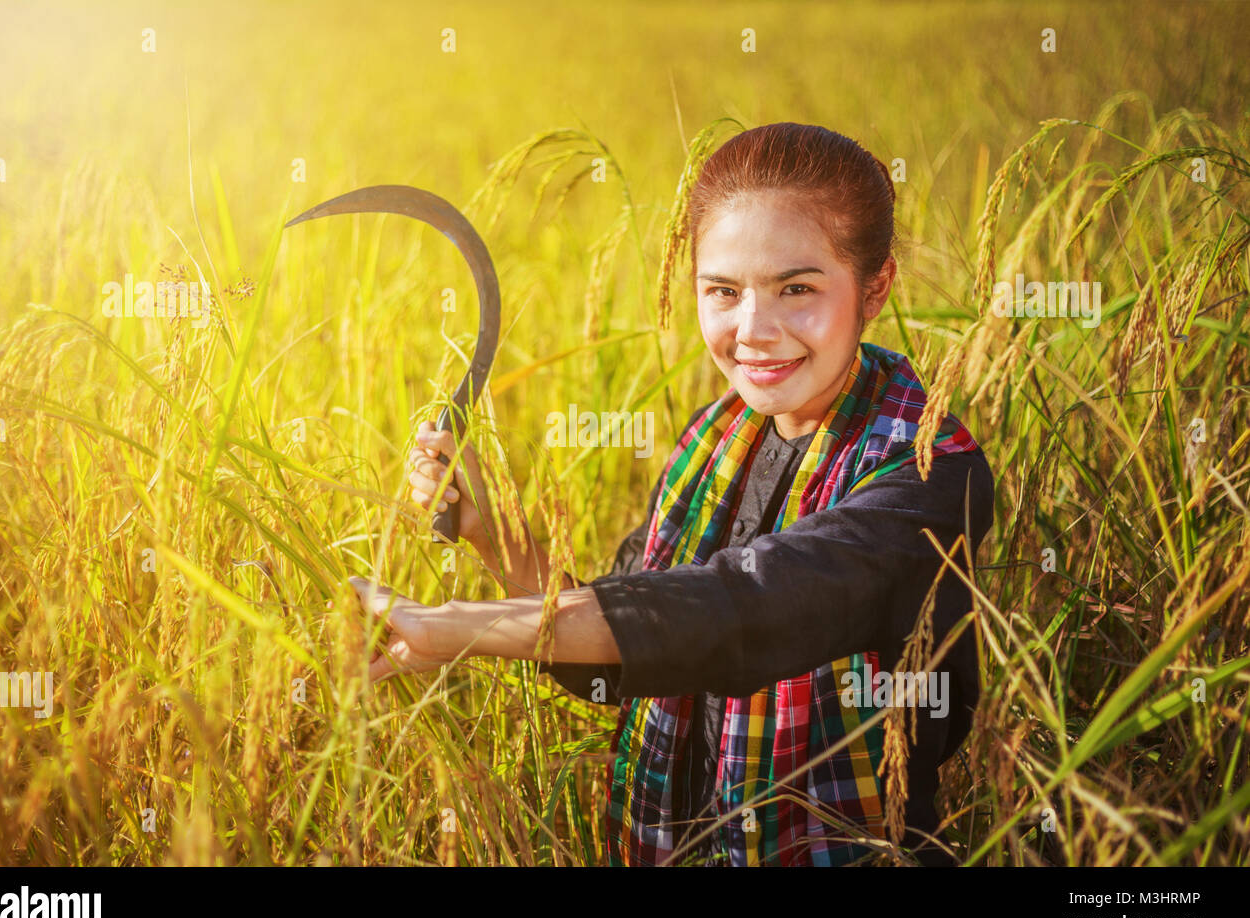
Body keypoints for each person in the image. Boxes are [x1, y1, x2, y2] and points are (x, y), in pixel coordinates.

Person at [352, 122, 995, 867]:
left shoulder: (929, 469)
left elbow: (747, 610)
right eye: (723, 291)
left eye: (797, 289)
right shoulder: (713, 444)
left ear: (874, 286)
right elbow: (616, 649)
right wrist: (491, 532)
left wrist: (455, 625)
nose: (753, 330)